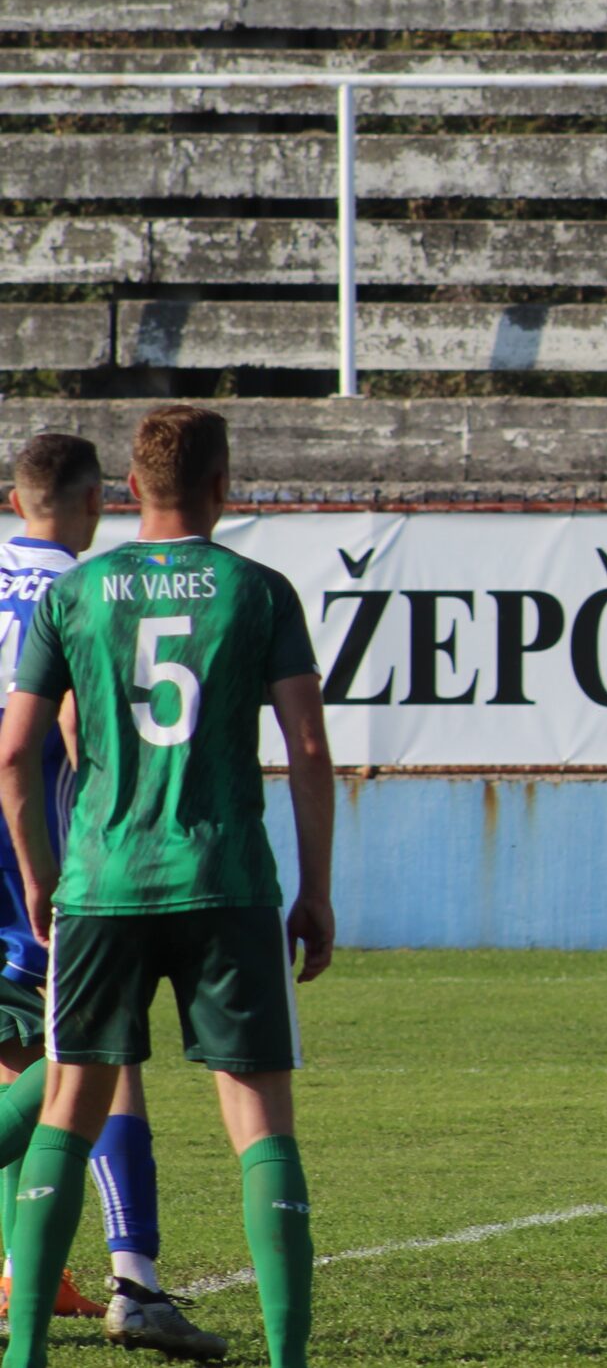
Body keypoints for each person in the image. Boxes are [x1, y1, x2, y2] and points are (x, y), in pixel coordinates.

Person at [0, 405, 336, 1368]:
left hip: (103, 881)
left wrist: (42, 876)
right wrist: (316, 890)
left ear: (131, 489)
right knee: (260, 1118)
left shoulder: (80, 591)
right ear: (223, 486)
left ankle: (24, 1353)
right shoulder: (258, 590)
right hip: (226, 877)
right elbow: (309, 748)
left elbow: (16, 752)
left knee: (69, 1104)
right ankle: (289, 1356)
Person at [0, 436, 215, 1358]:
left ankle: (27, 1269)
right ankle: (138, 1278)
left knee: (21, 1052)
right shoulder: (85, 591)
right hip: (33, 845)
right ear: (96, 502)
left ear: (16, 498)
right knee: (102, 1049)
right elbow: (73, 730)